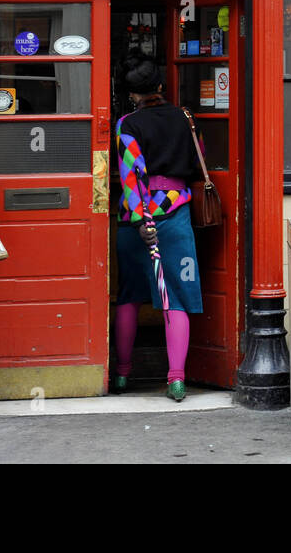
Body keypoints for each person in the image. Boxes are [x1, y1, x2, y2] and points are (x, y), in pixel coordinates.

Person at [113, 52, 204, 401]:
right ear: (161, 86)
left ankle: (121, 375)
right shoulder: (186, 118)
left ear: (132, 93)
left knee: (130, 295)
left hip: (136, 220)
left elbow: (131, 173)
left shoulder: (128, 124)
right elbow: (199, 161)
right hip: (176, 212)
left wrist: (140, 220)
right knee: (176, 299)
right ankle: (177, 380)